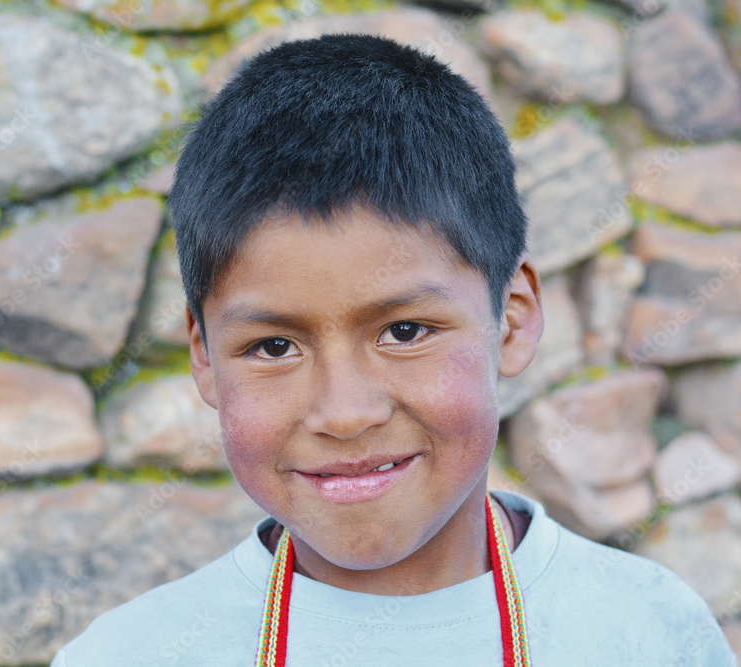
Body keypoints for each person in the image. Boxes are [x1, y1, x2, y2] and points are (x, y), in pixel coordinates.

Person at [51, 33, 735, 665]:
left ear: (512, 320)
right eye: (274, 346)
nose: (345, 413)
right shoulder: (130, 654)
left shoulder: (646, 632)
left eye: (404, 332)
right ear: (203, 355)